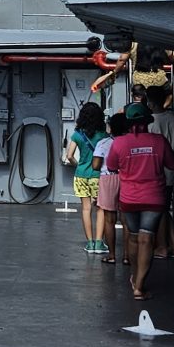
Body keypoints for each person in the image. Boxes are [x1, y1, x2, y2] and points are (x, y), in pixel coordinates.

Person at [106, 104, 174, 301]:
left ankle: (134, 276)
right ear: (148, 121)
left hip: (129, 198)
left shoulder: (119, 143)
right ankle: (139, 286)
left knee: (134, 237)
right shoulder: (159, 141)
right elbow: (172, 164)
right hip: (154, 197)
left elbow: (111, 166)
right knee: (147, 239)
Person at [144, 81, 174, 260]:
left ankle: (162, 247)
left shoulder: (150, 123)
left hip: (157, 171)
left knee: (159, 210)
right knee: (164, 209)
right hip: (173, 170)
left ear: (150, 103)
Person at [65, 101, 107, 255]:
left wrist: (79, 166)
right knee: (101, 208)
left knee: (86, 208)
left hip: (81, 175)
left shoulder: (77, 134)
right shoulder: (103, 135)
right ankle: (99, 243)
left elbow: (69, 156)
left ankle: (89, 243)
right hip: (98, 176)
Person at [94, 111, 125, 264]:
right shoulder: (129, 142)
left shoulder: (103, 143)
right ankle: (127, 256)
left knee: (109, 219)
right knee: (126, 220)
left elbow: (95, 165)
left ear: (111, 127)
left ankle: (112, 255)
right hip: (126, 179)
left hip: (107, 178)